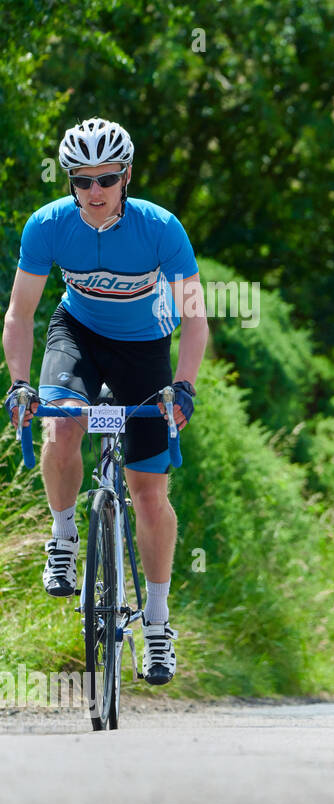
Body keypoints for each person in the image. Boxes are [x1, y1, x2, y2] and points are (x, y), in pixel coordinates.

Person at [2, 117, 207, 685]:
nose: (94, 191)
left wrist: (183, 386)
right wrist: (20, 382)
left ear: (126, 177)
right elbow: (20, 315)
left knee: (147, 492)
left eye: (107, 178)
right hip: (78, 335)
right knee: (62, 425)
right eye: (82, 179)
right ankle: (64, 537)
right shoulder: (47, 226)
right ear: (70, 181)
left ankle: (158, 624)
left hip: (144, 348)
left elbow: (194, 318)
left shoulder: (161, 228)